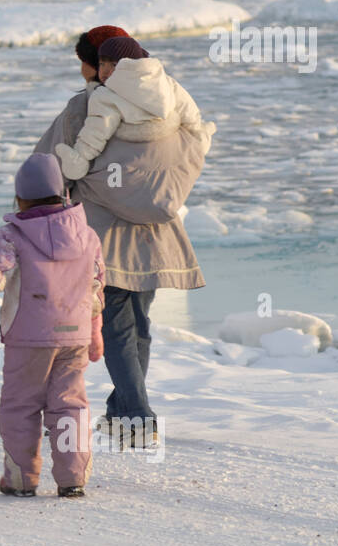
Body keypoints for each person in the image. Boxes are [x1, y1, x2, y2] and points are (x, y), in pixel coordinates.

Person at [34, 27, 208, 446]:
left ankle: (138, 417)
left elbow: (46, 165)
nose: (80, 70)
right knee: (138, 324)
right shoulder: (166, 99)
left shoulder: (88, 104)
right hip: (156, 229)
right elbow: (190, 145)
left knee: (115, 325)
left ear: (100, 65)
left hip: (104, 234)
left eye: (83, 60)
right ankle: (122, 410)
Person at [0, 155, 104, 498]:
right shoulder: (88, 235)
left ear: (21, 197)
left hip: (29, 338)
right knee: (70, 405)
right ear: (62, 193)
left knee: (20, 406)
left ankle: (21, 479)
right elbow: (94, 285)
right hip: (73, 336)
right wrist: (95, 328)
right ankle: (72, 478)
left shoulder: (12, 235)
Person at [53, 36, 214, 181]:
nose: (105, 71)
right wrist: (198, 136)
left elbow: (97, 129)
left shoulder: (105, 95)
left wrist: (80, 158)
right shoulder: (166, 82)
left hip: (128, 164)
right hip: (167, 159)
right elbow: (189, 112)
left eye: (114, 64)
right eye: (102, 63)